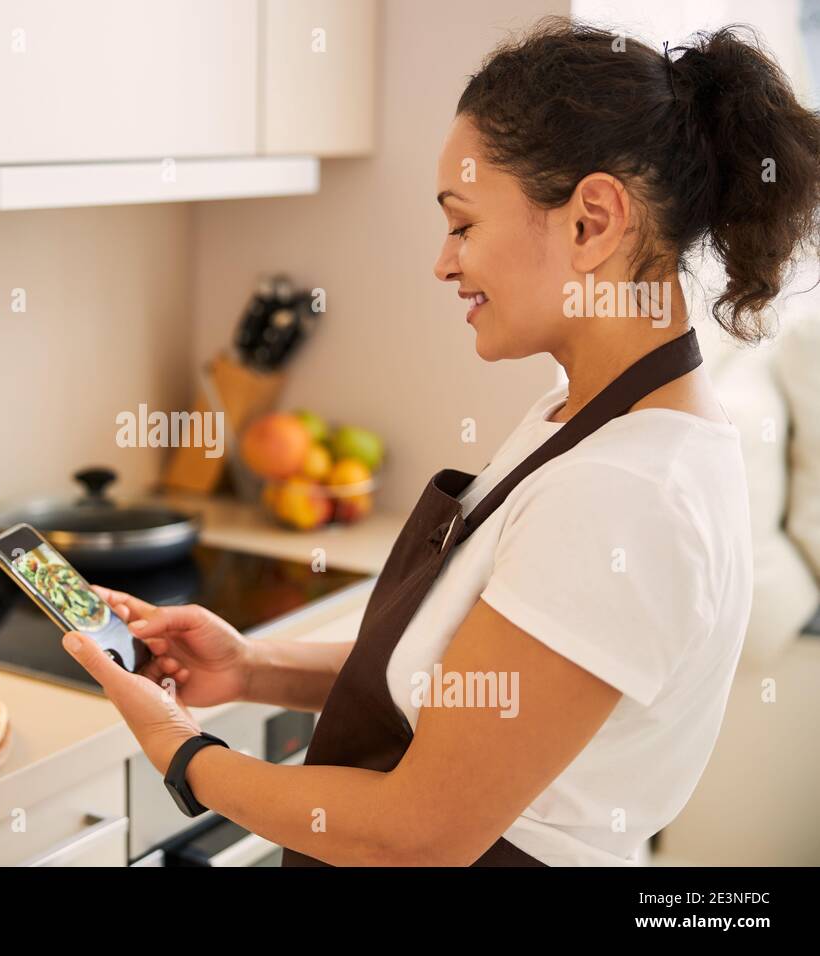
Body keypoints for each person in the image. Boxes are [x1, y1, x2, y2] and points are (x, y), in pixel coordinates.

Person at [63, 18, 820, 866]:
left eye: (462, 225)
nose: (443, 263)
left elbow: (416, 835)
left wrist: (184, 754)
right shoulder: (590, 418)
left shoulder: (627, 492)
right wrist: (251, 667)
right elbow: (471, 675)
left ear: (591, 222)